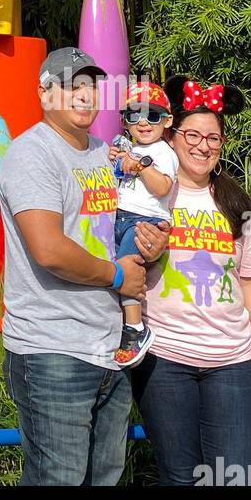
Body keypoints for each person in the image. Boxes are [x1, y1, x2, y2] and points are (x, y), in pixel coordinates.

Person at [0, 47, 169, 486]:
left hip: (112, 346)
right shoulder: (31, 154)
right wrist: (117, 276)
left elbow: (119, 226)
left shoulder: (104, 153)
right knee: (59, 478)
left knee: (105, 477)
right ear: (44, 92)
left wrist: (151, 243)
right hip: (52, 347)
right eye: (72, 86)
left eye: (91, 86)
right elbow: (49, 250)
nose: (84, 95)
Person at [131, 77, 251, 486]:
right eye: (192, 134)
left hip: (232, 361)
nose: (202, 145)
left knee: (232, 477)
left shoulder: (236, 204)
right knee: (180, 477)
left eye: (213, 138)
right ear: (171, 137)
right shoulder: (150, 194)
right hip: (166, 358)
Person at [108, 80, 178, 366]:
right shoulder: (130, 148)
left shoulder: (164, 153)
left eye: (152, 115)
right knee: (113, 269)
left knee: (128, 268)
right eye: (134, 115)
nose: (143, 122)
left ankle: (135, 329)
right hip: (120, 216)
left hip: (145, 220)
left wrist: (140, 165)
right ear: (125, 121)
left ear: (168, 120)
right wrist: (117, 161)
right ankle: (121, 324)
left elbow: (162, 188)